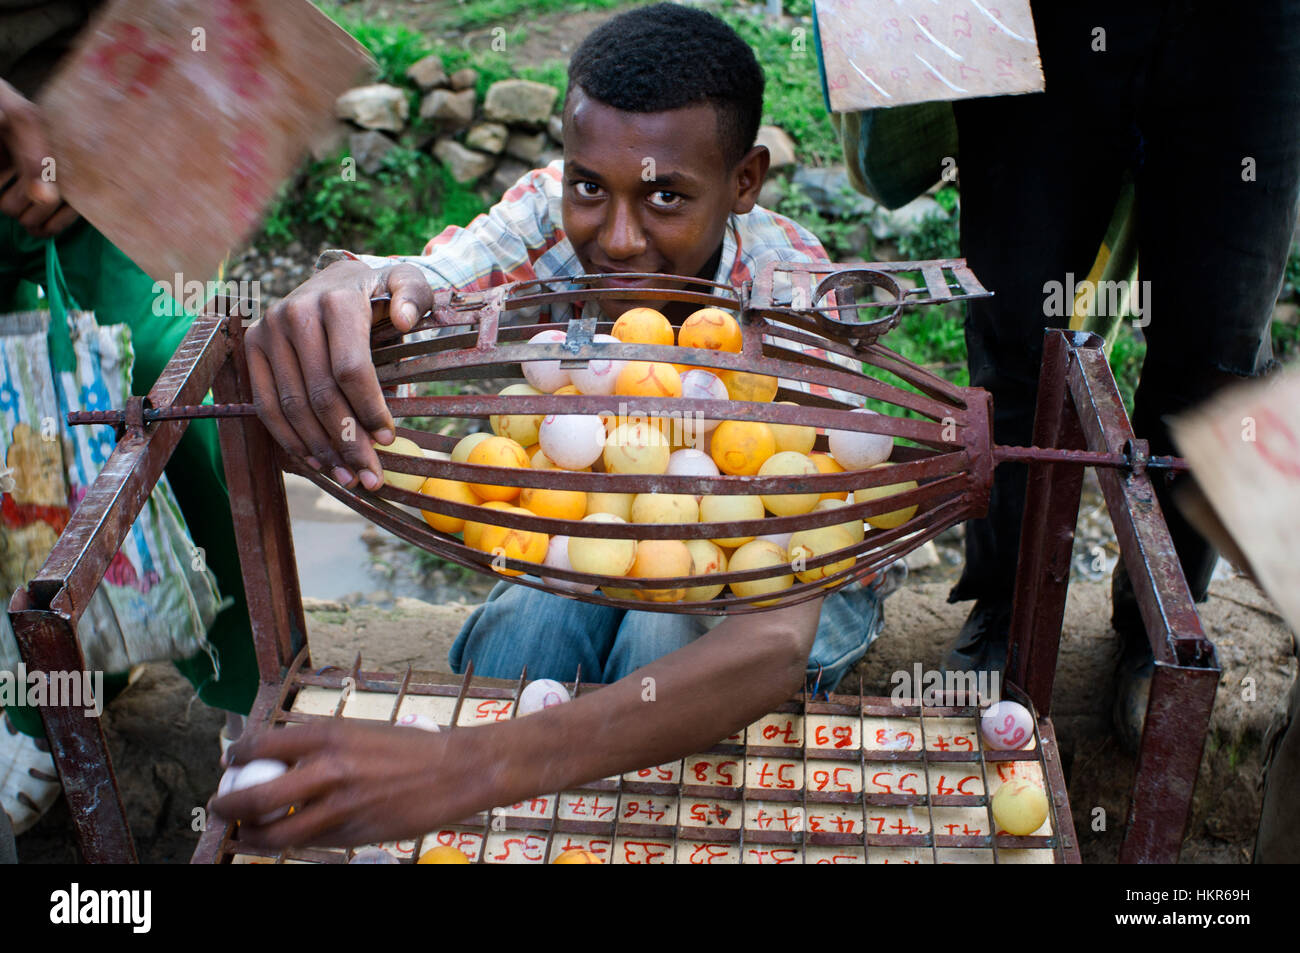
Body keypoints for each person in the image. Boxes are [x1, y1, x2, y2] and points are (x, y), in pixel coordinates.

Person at [218, 3, 891, 848]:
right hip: (616, 518)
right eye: (589, 187)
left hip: (789, 578)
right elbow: (429, 277)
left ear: (745, 181)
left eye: (666, 197)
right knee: (530, 626)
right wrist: (350, 285)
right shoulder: (555, 212)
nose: (618, 238)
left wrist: (469, 766)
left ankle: (634, 827)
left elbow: (777, 634)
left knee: (661, 631)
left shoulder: (790, 300)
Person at [0, 1, 258, 834]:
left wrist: (101, 123)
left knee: (163, 379)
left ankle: (253, 686)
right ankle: (48, 690)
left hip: (118, 118)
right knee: (22, 432)